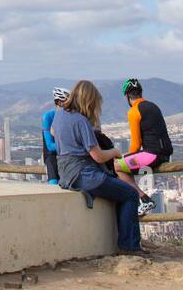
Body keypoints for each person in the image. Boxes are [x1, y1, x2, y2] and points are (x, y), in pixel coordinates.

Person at [51, 80, 144, 256]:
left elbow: (54, 132)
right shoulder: (80, 120)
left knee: (118, 190)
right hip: (84, 174)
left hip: (65, 173)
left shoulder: (60, 114)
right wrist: (115, 152)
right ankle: (129, 246)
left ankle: (128, 244)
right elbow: (98, 156)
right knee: (130, 194)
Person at [114, 77, 174, 218]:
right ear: (140, 93)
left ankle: (144, 199)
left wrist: (124, 157)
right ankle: (143, 200)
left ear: (127, 96)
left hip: (151, 155)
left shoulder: (134, 111)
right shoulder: (153, 106)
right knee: (123, 164)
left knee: (116, 165)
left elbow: (135, 144)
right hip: (165, 154)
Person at [41, 88, 69, 185]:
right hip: (51, 156)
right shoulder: (48, 117)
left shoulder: (71, 117)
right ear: (59, 102)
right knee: (53, 183)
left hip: (66, 155)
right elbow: (49, 146)